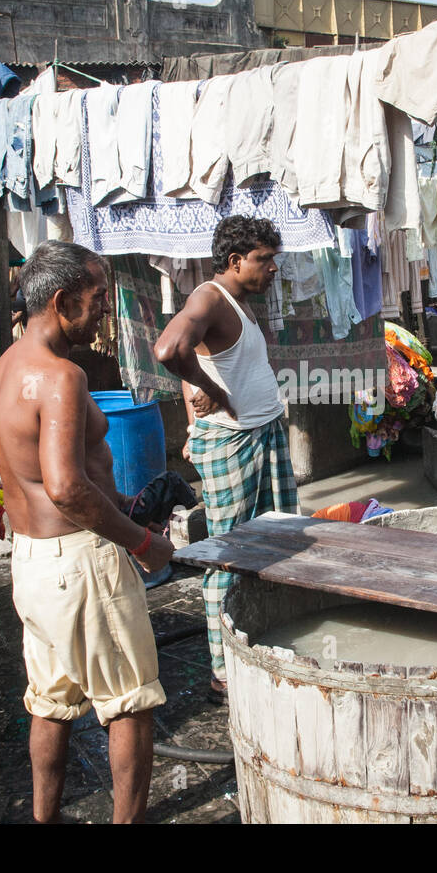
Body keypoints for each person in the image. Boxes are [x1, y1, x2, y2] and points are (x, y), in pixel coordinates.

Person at [0, 240, 173, 824]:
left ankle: (44, 819)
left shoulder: (7, 367)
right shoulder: (61, 375)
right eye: (95, 301)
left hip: (35, 563)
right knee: (131, 702)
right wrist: (143, 542)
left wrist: (122, 503)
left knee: (51, 700)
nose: (103, 315)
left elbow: (38, 477)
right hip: (80, 562)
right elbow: (66, 489)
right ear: (62, 301)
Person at [154, 216, 299, 701]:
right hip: (235, 442)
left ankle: (259, 644)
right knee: (229, 557)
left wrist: (205, 383)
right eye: (265, 259)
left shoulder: (238, 302)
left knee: (277, 543)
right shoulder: (210, 296)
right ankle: (223, 673)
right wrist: (211, 390)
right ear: (235, 262)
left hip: (263, 433)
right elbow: (169, 348)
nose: (273, 268)